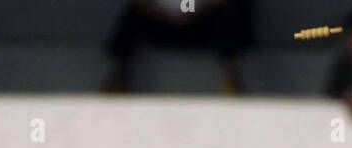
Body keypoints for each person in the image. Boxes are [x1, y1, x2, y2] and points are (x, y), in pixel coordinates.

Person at [101, 0, 254, 95]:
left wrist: (190, 10)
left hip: (202, 23)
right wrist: (162, 12)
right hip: (162, 21)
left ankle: (232, 81)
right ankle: (117, 79)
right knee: (132, 17)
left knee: (230, 15)